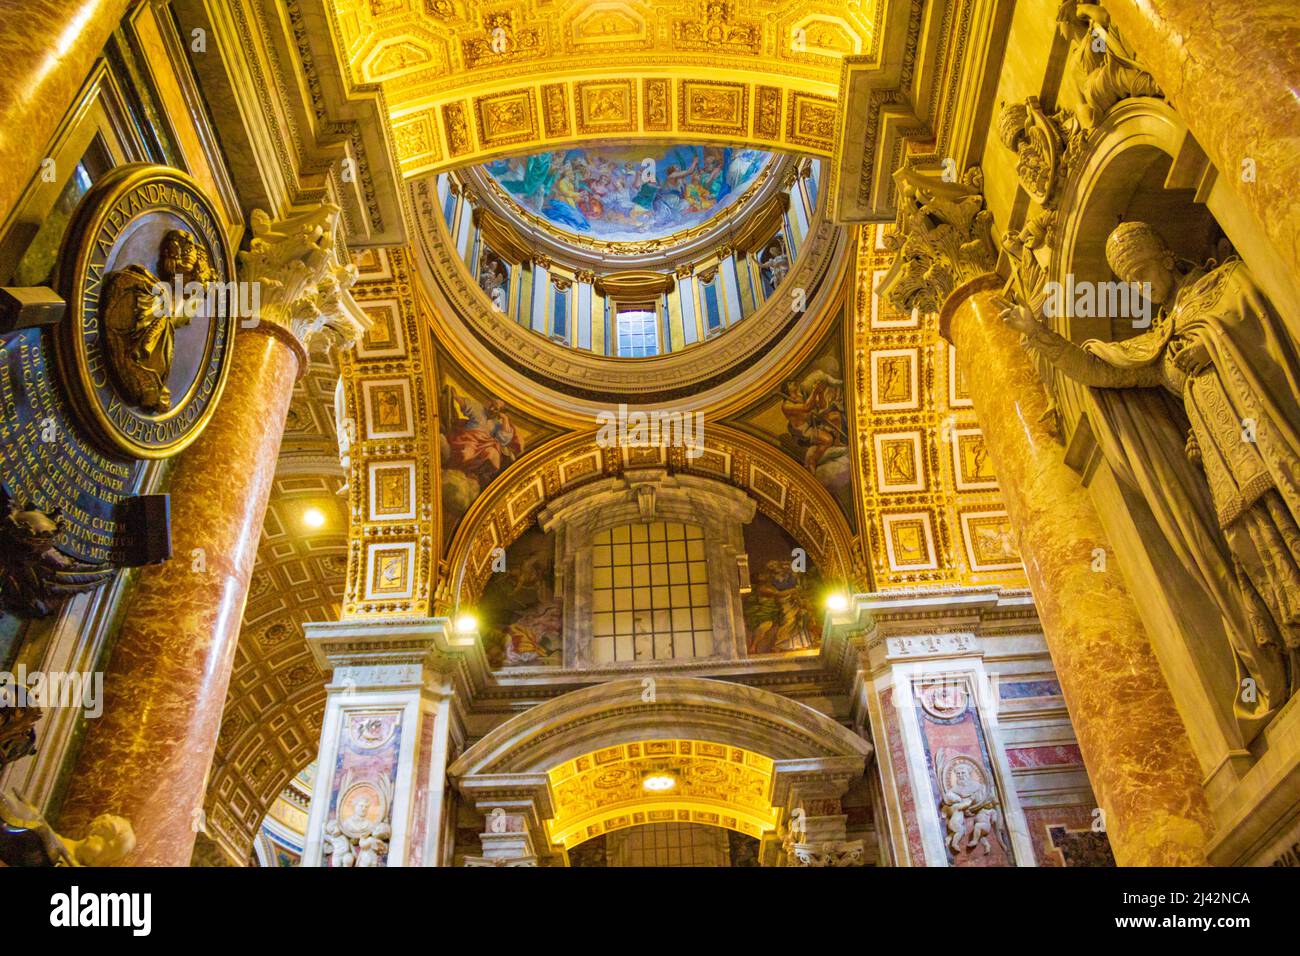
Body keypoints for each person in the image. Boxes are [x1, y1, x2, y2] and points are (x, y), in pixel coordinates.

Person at [999, 220, 1300, 737]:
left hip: (1260, 427)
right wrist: (1039, 335)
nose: (1141, 289)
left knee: (1284, 505)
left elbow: (1264, 322)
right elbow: (1105, 369)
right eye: (1131, 284)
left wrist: (1214, 345)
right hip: (1217, 450)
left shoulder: (1223, 284)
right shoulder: (1161, 337)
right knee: (1248, 541)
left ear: (1165, 253)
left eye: (1142, 274)